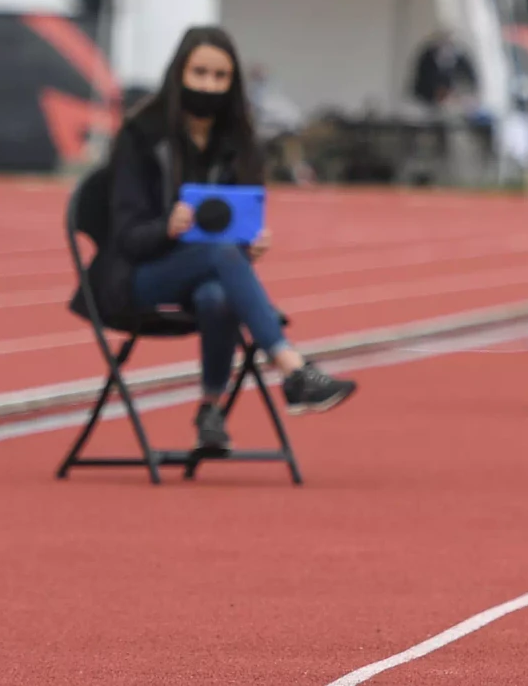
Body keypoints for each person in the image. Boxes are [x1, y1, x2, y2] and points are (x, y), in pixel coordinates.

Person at [84, 26, 357, 452]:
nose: (208, 85)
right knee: (218, 254)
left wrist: (252, 245)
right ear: (179, 74)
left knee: (218, 292)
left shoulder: (238, 141)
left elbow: (237, 229)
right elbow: (125, 238)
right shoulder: (142, 135)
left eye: (219, 77)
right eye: (199, 74)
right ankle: (293, 369)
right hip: (136, 275)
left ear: (232, 83)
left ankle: (211, 410)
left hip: (208, 272)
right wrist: (167, 227)